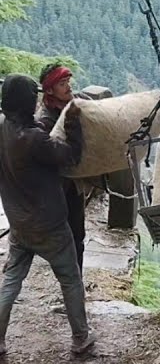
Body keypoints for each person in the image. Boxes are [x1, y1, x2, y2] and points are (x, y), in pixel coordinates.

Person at [0, 74, 95, 359]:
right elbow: (70, 156)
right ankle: (81, 338)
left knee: (11, 280)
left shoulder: (4, 128)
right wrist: (74, 125)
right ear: (28, 101)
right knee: (70, 278)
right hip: (50, 224)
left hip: (19, 223)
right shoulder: (34, 139)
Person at [35, 64, 88, 275]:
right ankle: (70, 283)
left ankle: (76, 279)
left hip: (71, 186)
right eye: (62, 84)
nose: (68, 88)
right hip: (57, 188)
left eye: (68, 82)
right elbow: (60, 155)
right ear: (49, 90)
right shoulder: (45, 121)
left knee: (77, 236)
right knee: (64, 238)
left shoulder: (71, 106)